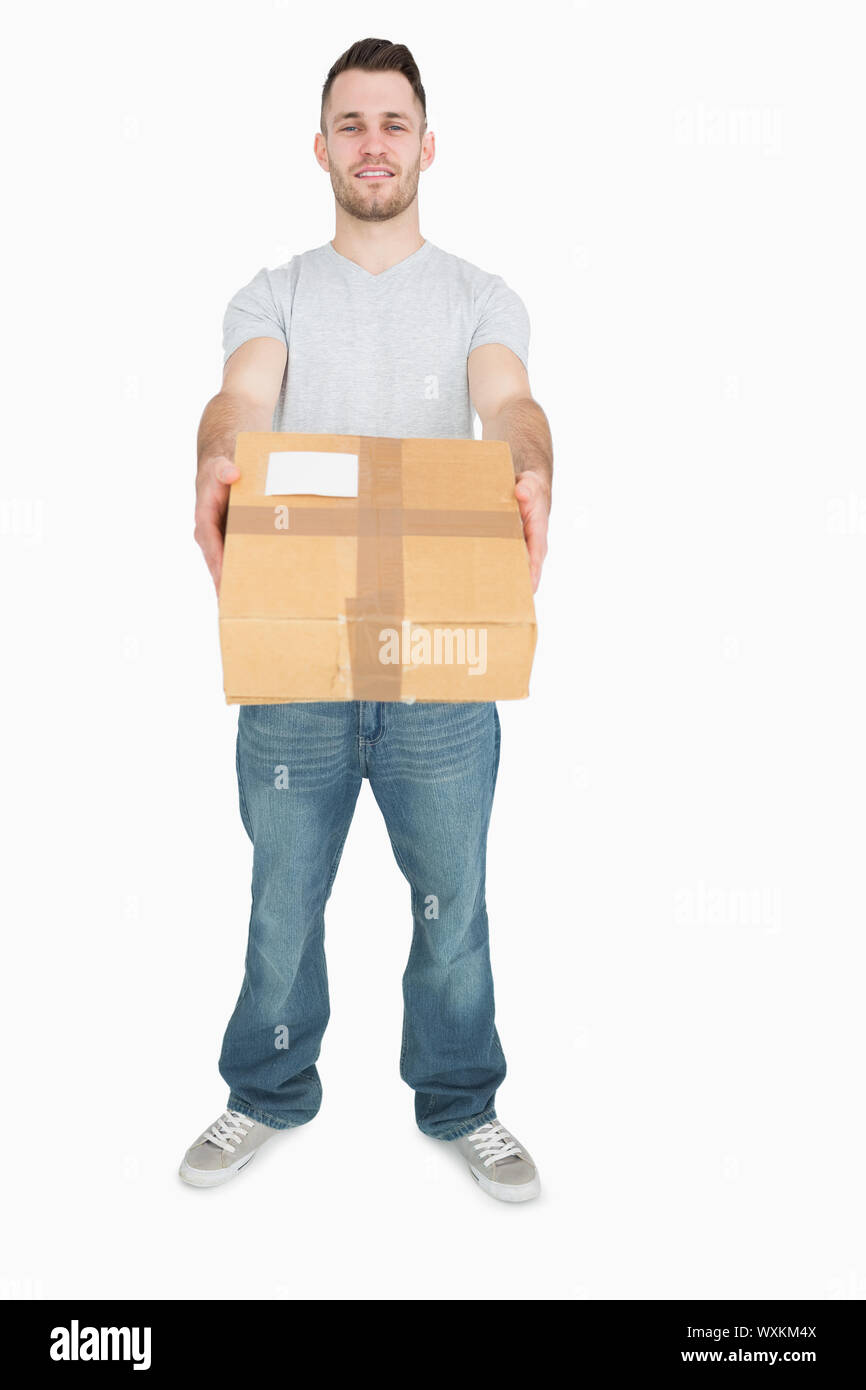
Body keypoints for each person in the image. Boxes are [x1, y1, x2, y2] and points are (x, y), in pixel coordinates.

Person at [182, 37, 553, 1202]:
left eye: (393, 123)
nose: (373, 144)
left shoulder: (479, 297)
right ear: (320, 146)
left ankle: (459, 1101)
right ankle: (265, 1090)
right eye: (351, 123)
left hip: (439, 664)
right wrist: (213, 457)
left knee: (454, 907)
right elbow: (242, 395)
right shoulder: (276, 291)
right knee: (281, 900)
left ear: (426, 145)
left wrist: (532, 466)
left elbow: (508, 400)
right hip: (298, 660)